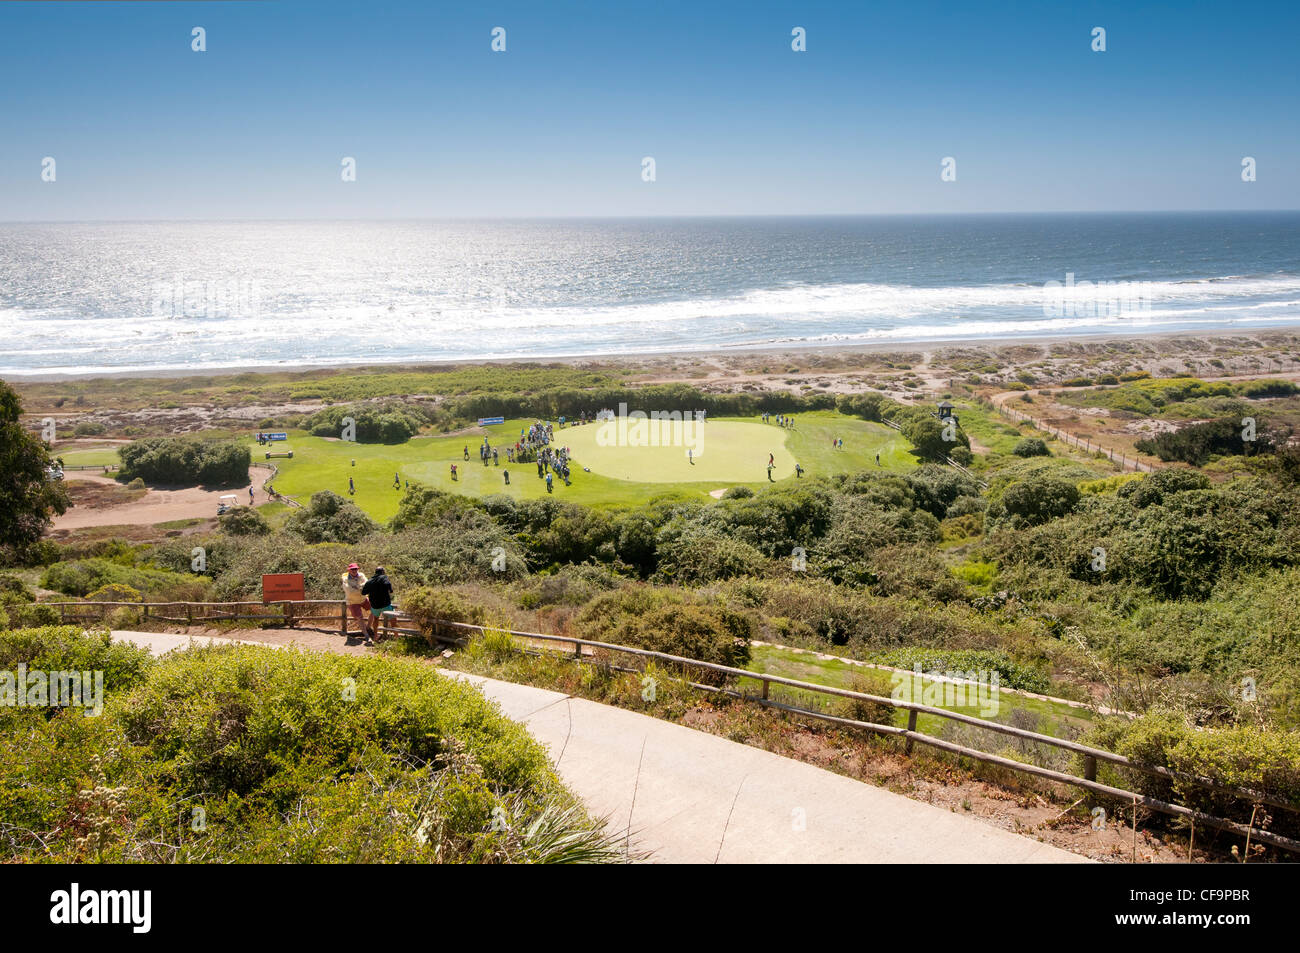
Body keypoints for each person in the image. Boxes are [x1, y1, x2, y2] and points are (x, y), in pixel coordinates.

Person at [361, 566, 394, 644]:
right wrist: (390, 590)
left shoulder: (370, 581)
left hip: (375, 604)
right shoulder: (384, 577)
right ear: (383, 572)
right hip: (385, 603)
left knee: (376, 619)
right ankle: (396, 636)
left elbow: (363, 592)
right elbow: (387, 584)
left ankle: (375, 636)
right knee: (393, 619)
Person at [341, 563, 369, 641]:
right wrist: (361, 588)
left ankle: (368, 628)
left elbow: (367, 583)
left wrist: (357, 588)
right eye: (352, 569)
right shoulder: (345, 579)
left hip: (363, 599)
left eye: (355, 569)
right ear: (349, 570)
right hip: (352, 601)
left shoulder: (361, 575)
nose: (354, 571)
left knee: (374, 611)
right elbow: (349, 591)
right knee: (359, 618)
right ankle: (366, 635)